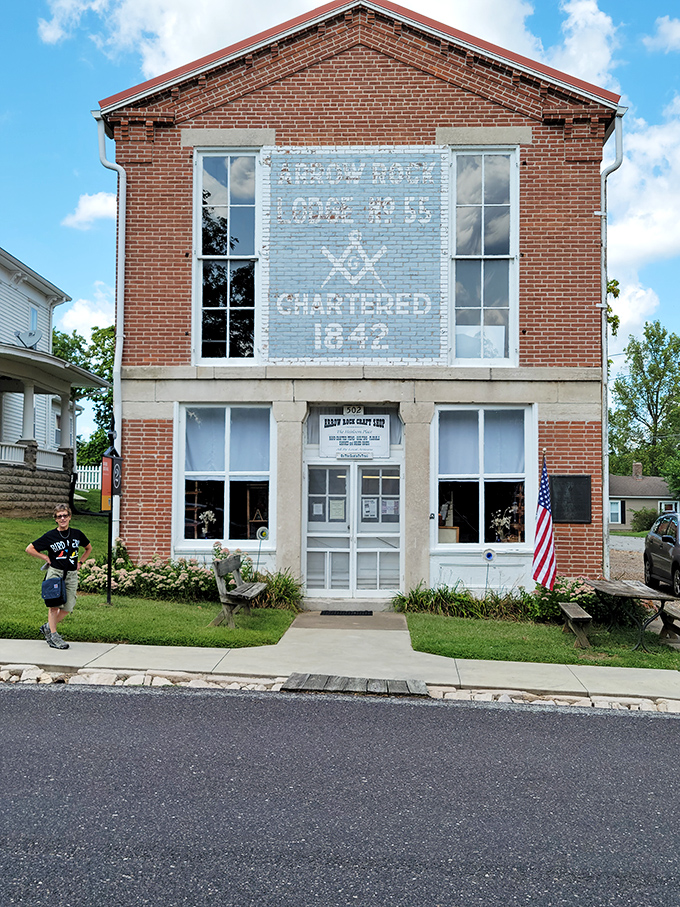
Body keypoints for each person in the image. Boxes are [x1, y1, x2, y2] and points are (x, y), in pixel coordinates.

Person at [25, 504, 92, 650]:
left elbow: (88, 548)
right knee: (54, 606)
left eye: (65, 515)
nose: (62, 518)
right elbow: (30, 548)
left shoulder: (77, 534)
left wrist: (80, 562)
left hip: (71, 574)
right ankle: (54, 636)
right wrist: (45, 557)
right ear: (55, 519)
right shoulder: (50, 536)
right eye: (59, 516)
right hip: (55, 573)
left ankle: (48, 627)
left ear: (69, 517)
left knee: (68, 607)